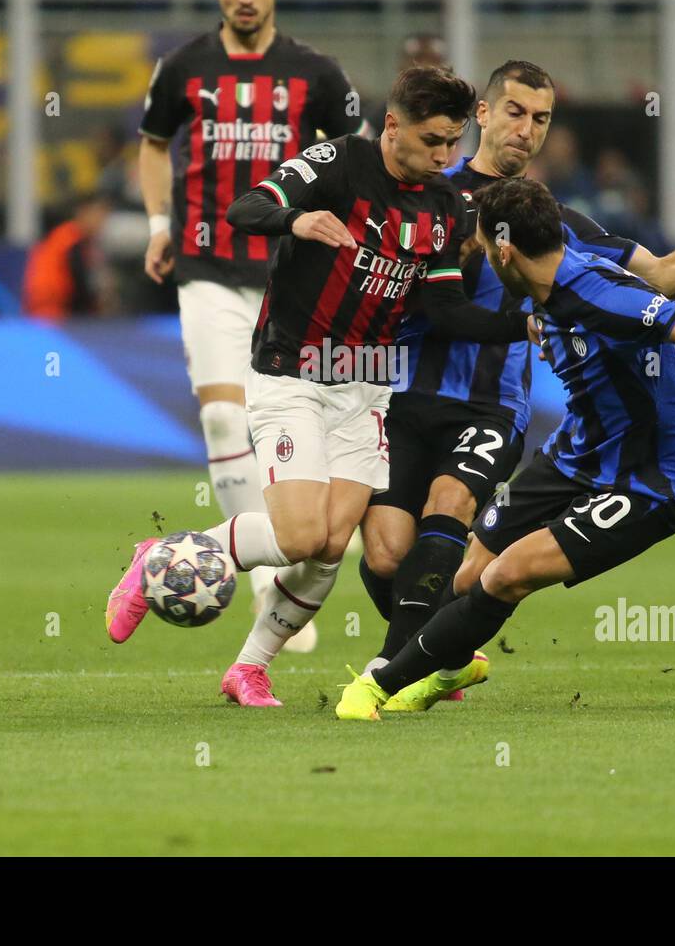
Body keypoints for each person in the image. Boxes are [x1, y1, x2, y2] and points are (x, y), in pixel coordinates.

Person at [358, 59, 675, 693]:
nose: (527, 130)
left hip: (491, 406)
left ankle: (389, 676)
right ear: (483, 115)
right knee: (384, 555)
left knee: (459, 524)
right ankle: (435, 655)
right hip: (405, 393)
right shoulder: (430, 189)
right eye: (515, 112)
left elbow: (662, 281)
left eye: (542, 119)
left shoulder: (550, 225)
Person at [108, 66, 534, 708]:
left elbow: (444, 307)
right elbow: (245, 208)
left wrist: (522, 324)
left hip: (367, 389)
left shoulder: (443, 206)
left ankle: (249, 668)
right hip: (293, 371)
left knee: (333, 545)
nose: (445, 156)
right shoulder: (337, 163)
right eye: (432, 141)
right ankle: (160, 556)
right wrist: (297, 223)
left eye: (452, 142)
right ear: (392, 126)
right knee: (302, 535)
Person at [136, 0, 370, 651]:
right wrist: (158, 223)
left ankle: (297, 539)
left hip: (295, 275)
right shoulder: (184, 67)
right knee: (219, 421)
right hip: (207, 263)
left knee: (307, 420)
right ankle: (267, 581)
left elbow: (357, 155)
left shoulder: (317, 74)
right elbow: (153, 142)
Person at [22, 194, 110, 320]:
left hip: (54, 310)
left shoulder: (70, 236)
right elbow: (81, 283)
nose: (102, 221)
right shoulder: (70, 239)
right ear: (83, 213)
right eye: (99, 214)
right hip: (53, 312)